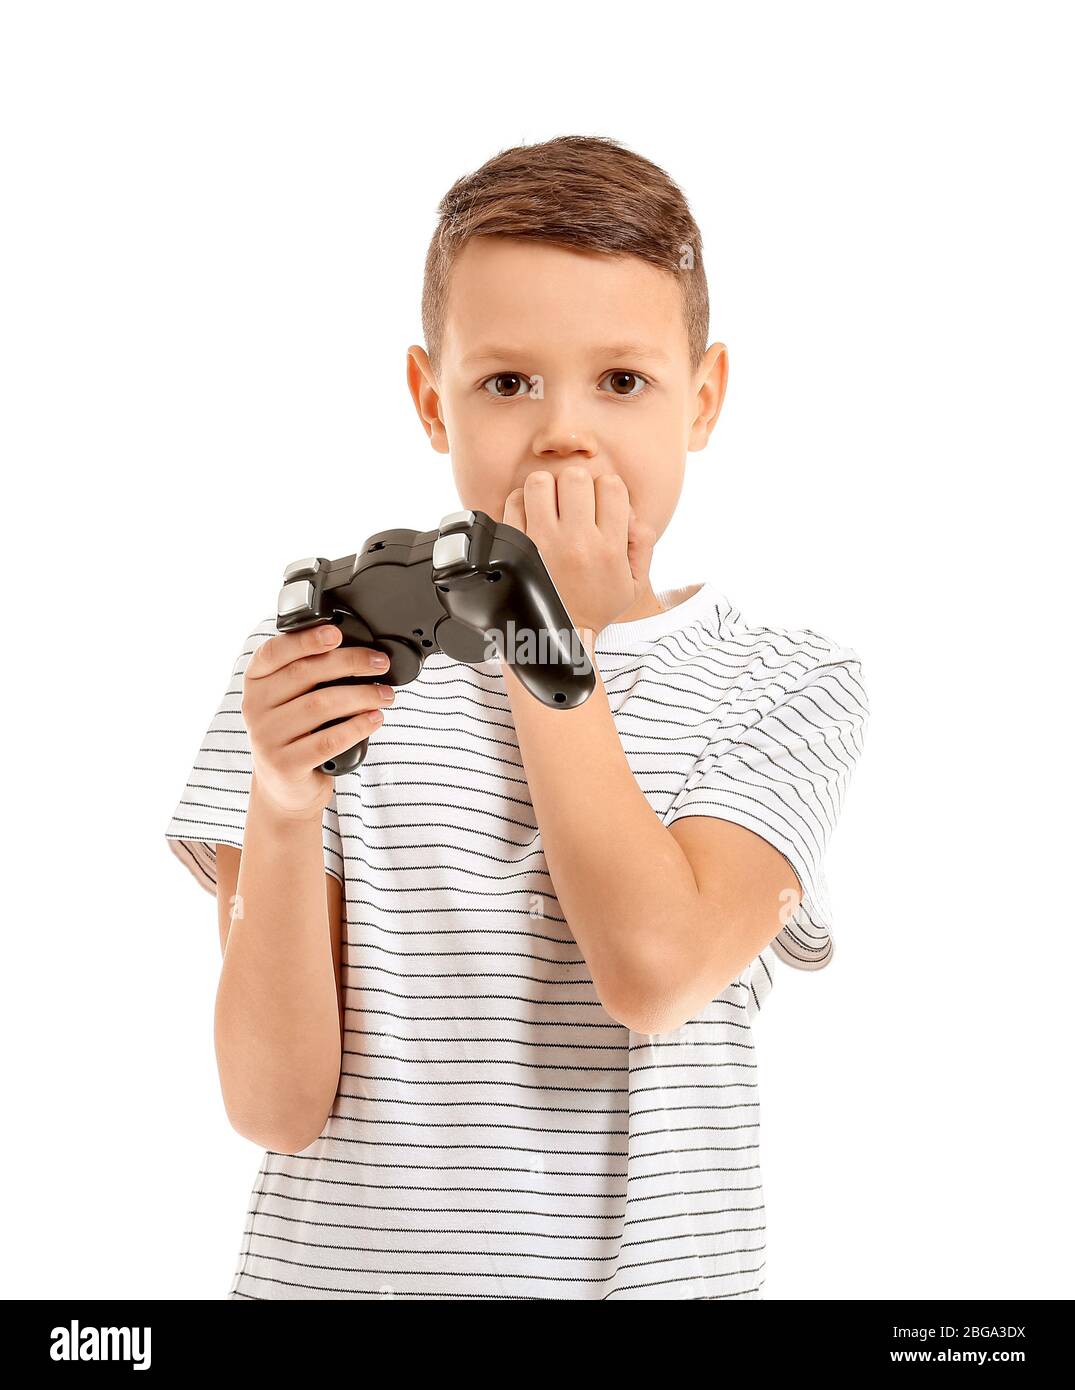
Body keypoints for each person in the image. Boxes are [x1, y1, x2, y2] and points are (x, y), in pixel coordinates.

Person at [165, 134, 870, 1300]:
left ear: (703, 399)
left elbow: (650, 970)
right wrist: (284, 803)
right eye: (506, 382)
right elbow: (273, 1105)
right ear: (427, 399)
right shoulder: (331, 659)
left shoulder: (785, 683)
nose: (563, 432)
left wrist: (552, 642)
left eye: (623, 381)